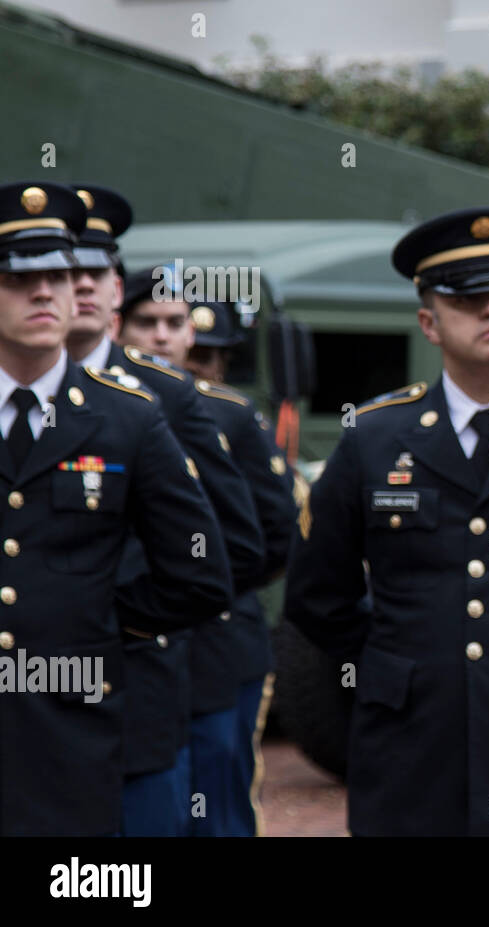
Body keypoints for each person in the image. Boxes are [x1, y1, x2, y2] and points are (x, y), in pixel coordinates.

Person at [285, 207, 489, 836]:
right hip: (412, 742)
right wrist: (399, 660)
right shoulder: (376, 437)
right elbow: (316, 592)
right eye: (469, 299)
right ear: (428, 322)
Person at [0, 180, 231, 836]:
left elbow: (199, 573)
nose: (44, 292)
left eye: (59, 274)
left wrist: (95, 621)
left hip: (74, 728)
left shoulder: (126, 418)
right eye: (18, 279)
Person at [116, 264, 267, 836]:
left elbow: (260, 541)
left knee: (208, 810)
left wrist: (178, 602)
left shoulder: (216, 410)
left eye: (173, 322)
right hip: (92, 664)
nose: (161, 336)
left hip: (203, 643)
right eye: (146, 321)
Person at [185, 299, 297, 836]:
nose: (193, 363)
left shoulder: (231, 416)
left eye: (208, 356)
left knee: (220, 790)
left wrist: (215, 588)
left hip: (224, 636)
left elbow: (277, 532)